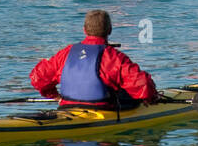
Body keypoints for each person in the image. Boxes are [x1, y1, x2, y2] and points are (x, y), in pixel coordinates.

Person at [29, 9, 159, 109]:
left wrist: (55, 96)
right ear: (110, 30)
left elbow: (38, 78)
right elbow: (143, 85)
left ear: (84, 30)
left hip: (67, 107)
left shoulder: (65, 53)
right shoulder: (114, 57)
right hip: (103, 110)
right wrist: (151, 98)